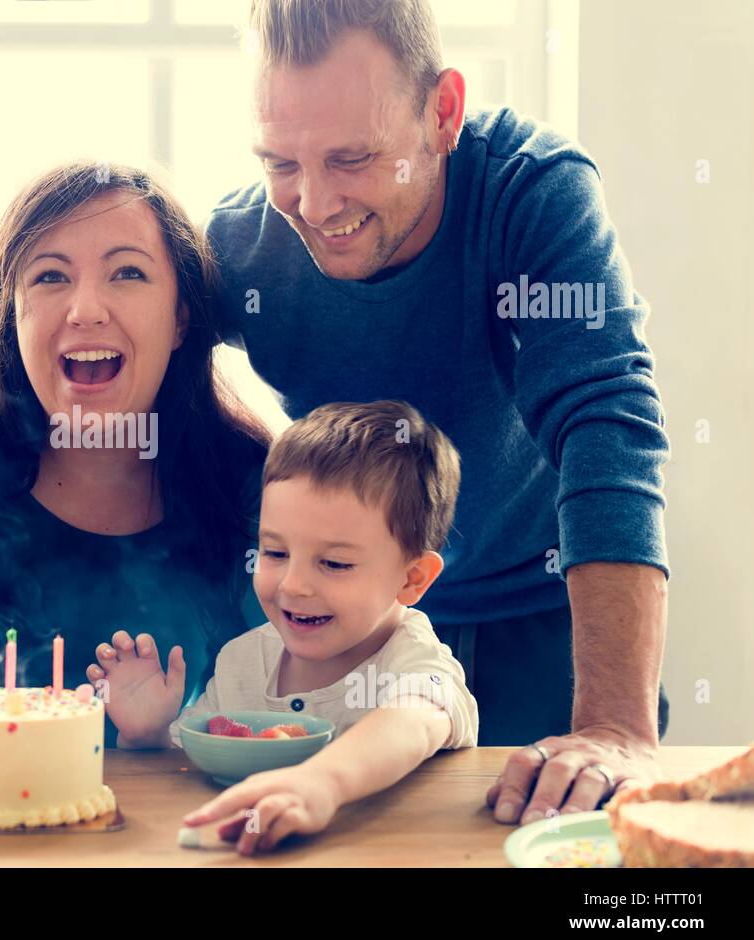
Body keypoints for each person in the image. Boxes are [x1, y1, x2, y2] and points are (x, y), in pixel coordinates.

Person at [206, 0, 670, 826]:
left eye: (352, 158)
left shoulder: (532, 190)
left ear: (443, 112)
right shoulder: (242, 247)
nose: (312, 203)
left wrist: (614, 724)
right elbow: (134, 367)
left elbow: (608, 420)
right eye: (281, 163)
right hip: (351, 628)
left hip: (542, 611)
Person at [0, 161, 272, 746]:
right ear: (11, 314)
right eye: (50, 277)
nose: (86, 309)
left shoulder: (251, 488)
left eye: (128, 273)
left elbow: (301, 700)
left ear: (182, 316)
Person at [90, 400, 479, 854]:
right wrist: (149, 736)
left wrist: (321, 784)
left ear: (412, 579)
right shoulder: (242, 662)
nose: (293, 586)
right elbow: (189, 774)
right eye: (274, 553)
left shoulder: (415, 662)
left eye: (334, 563)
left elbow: (414, 722)